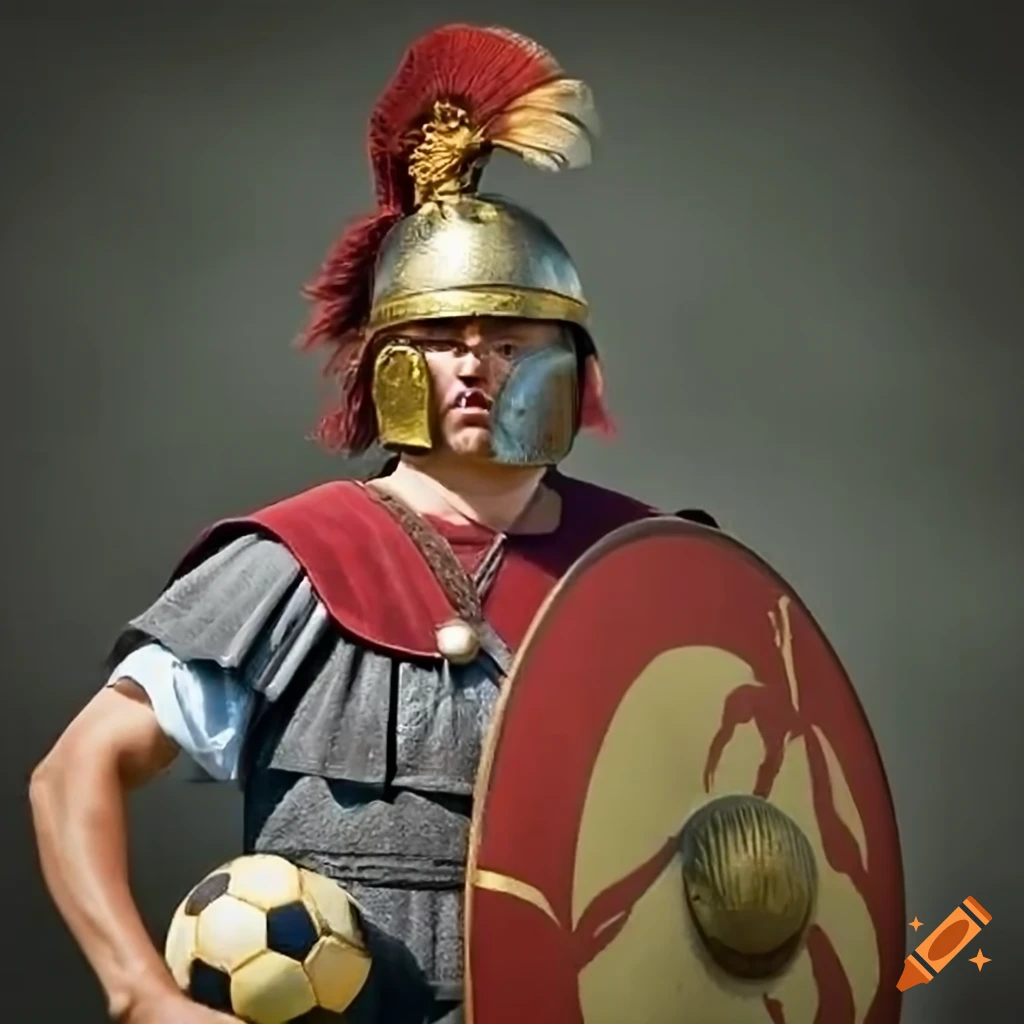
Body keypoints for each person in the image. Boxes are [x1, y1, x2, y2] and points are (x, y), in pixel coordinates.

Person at [28, 23, 715, 1024]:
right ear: (388, 365)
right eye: (440, 337)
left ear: (569, 364)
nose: (475, 365)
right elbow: (73, 773)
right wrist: (140, 994)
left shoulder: (645, 572)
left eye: (510, 339)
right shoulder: (298, 564)